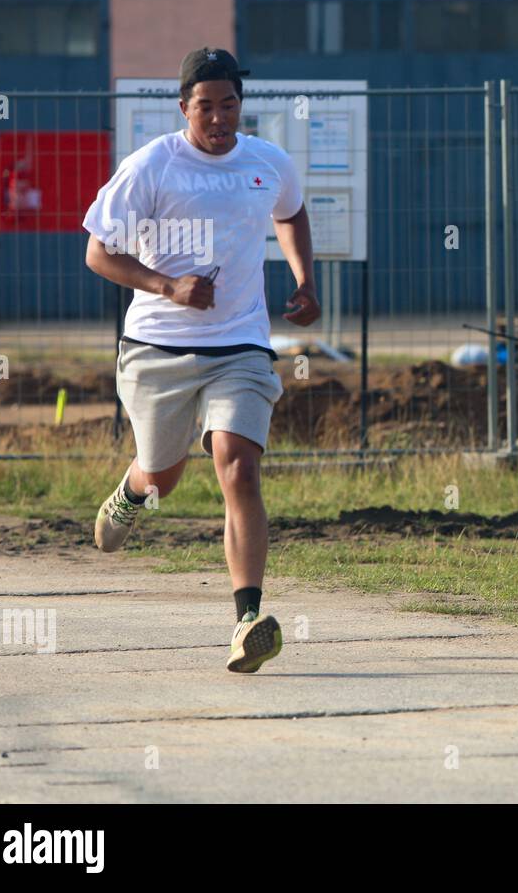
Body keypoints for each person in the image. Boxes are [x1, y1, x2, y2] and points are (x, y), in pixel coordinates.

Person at [83, 47, 320, 673]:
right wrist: (169, 286)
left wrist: (304, 279)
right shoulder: (153, 166)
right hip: (157, 347)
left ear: (241, 104)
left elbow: (291, 212)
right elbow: (98, 254)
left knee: (237, 467)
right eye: (205, 106)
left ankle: (248, 620)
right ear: (184, 107)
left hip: (240, 344)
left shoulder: (267, 163)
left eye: (229, 105)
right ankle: (132, 494)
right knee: (163, 476)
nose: (218, 118)